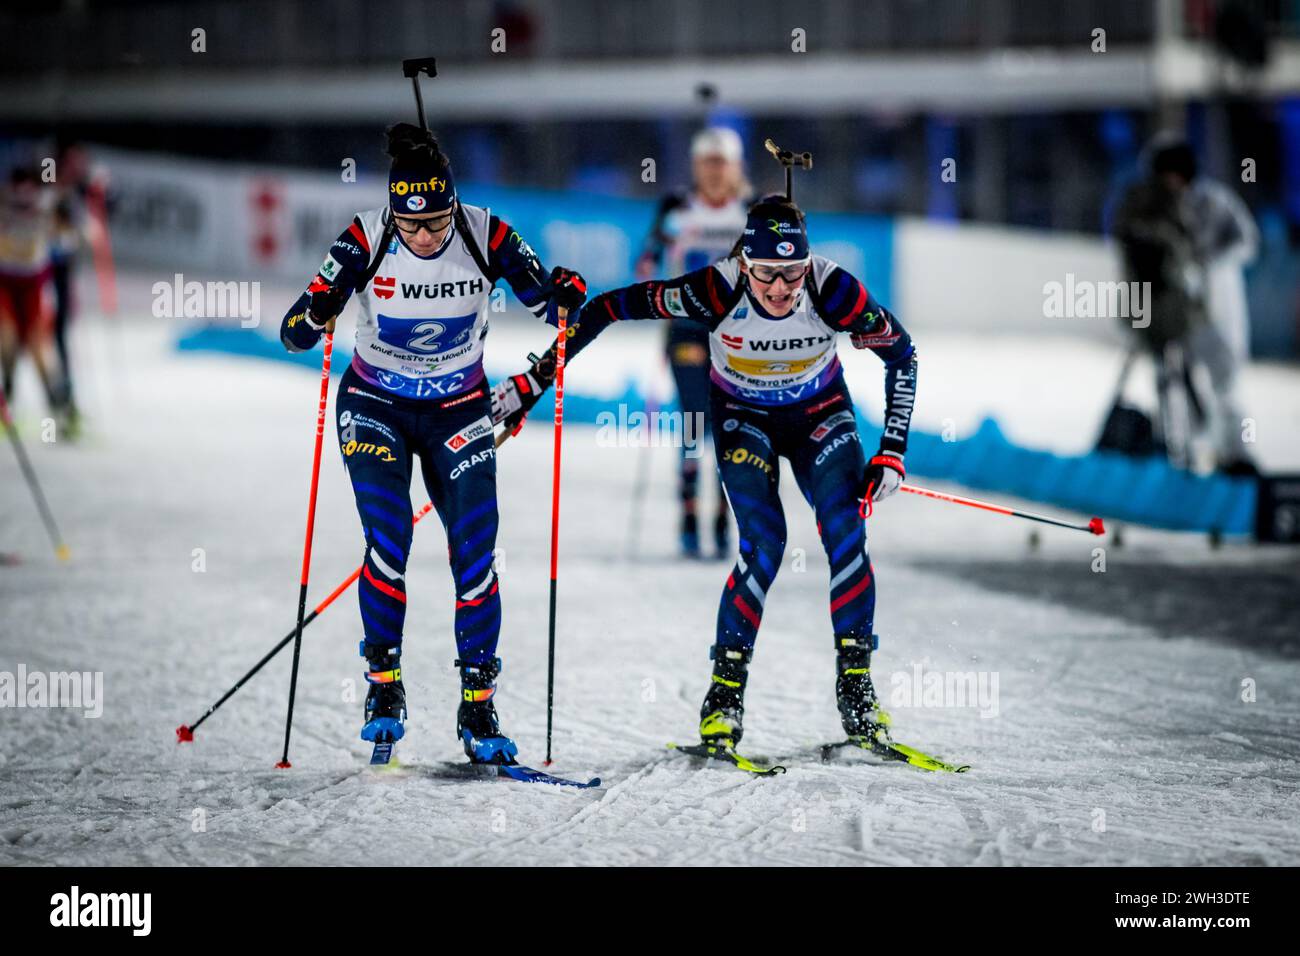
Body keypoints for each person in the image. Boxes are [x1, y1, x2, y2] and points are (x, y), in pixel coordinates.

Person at [492, 195, 918, 755]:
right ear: (745, 262)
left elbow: (902, 354)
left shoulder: (833, 289)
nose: (780, 289)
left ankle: (857, 691)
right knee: (766, 544)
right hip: (744, 417)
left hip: (820, 416)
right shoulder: (712, 289)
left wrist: (891, 451)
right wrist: (534, 382)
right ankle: (724, 696)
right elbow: (604, 310)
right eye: (767, 273)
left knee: (846, 532)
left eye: (792, 274)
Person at [279, 123, 587, 764]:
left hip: (458, 410)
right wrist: (313, 314)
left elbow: (553, 310)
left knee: (475, 553)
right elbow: (293, 332)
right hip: (375, 407)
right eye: (412, 226)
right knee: (390, 541)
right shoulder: (366, 236)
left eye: (436, 223)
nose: (425, 237)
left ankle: (478, 705)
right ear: (394, 211)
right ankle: (383, 690)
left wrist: (564, 297)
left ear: (454, 205)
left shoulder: (484, 232)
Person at [1113, 136, 1258, 473]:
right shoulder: (1154, 205)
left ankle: (1235, 455)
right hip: (1177, 315)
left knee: (1225, 385)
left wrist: (1208, 264)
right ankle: (1191, 455)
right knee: (1179, 387)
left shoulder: (1213, 201)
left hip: (1218, 313)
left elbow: (1246, 241)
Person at [635, 127, 749, 557]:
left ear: (736, 168)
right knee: (693, 421)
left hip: (736, 336)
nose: (716, 172)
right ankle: (688, 517)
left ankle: (722, 520)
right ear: (697, 166)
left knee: (727, 426)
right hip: (685, 329)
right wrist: (655, 266)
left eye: (723, 163)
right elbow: (644, 260)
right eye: (708, 163)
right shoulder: (676, 207)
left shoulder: (751, 210)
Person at [0, 166, 66, 420]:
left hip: (33, 285)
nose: (24, 195)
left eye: (31, 187)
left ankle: (58, 409)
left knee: (40, 348)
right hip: (4, 282)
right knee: (7, 341)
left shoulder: (47, 205)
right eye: (19, 187)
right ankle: (8, 403)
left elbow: (70, 233)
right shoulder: (4, 203)